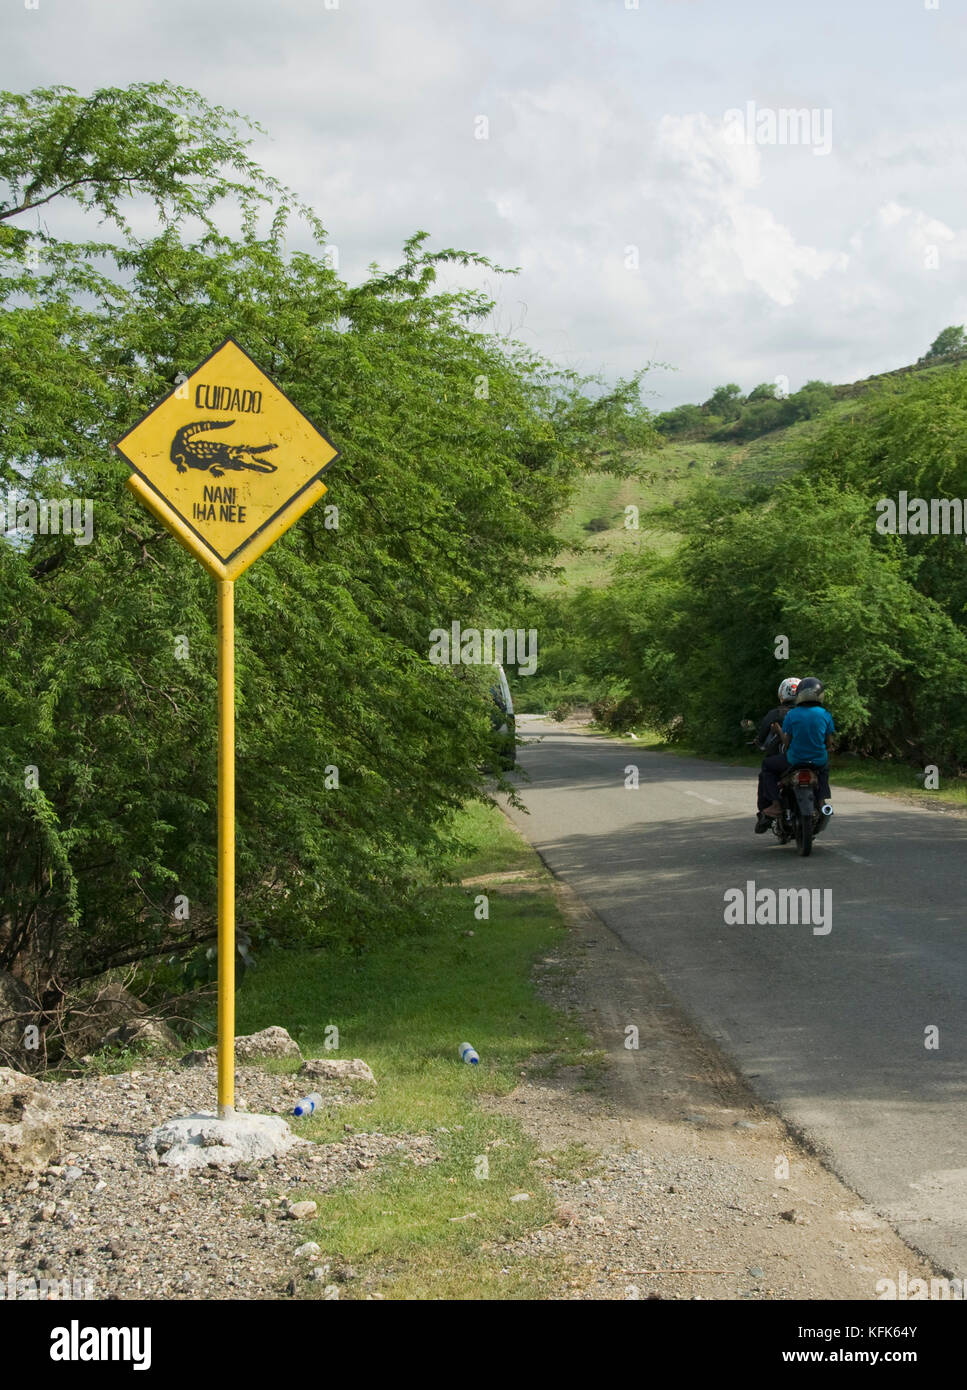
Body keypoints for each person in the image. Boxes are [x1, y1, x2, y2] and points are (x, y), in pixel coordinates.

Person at [760, 676, 835, 819]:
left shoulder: (792, 714)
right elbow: (829, 742)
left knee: (767, 766)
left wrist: (779, 731)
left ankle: (775, 804)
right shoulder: (825, 714)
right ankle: (821, 800)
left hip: (795, 760)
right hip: (818, 761)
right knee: (824, 771)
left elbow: (787, 743)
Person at [753, 678, 800, 832]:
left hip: (786, 759)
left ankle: (770, 808)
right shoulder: (813, 713)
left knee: (766, 770)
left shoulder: (776, 713)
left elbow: (762, 736)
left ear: (781, 693)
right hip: (813, 759)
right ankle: (821, 802)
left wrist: (759, 742)